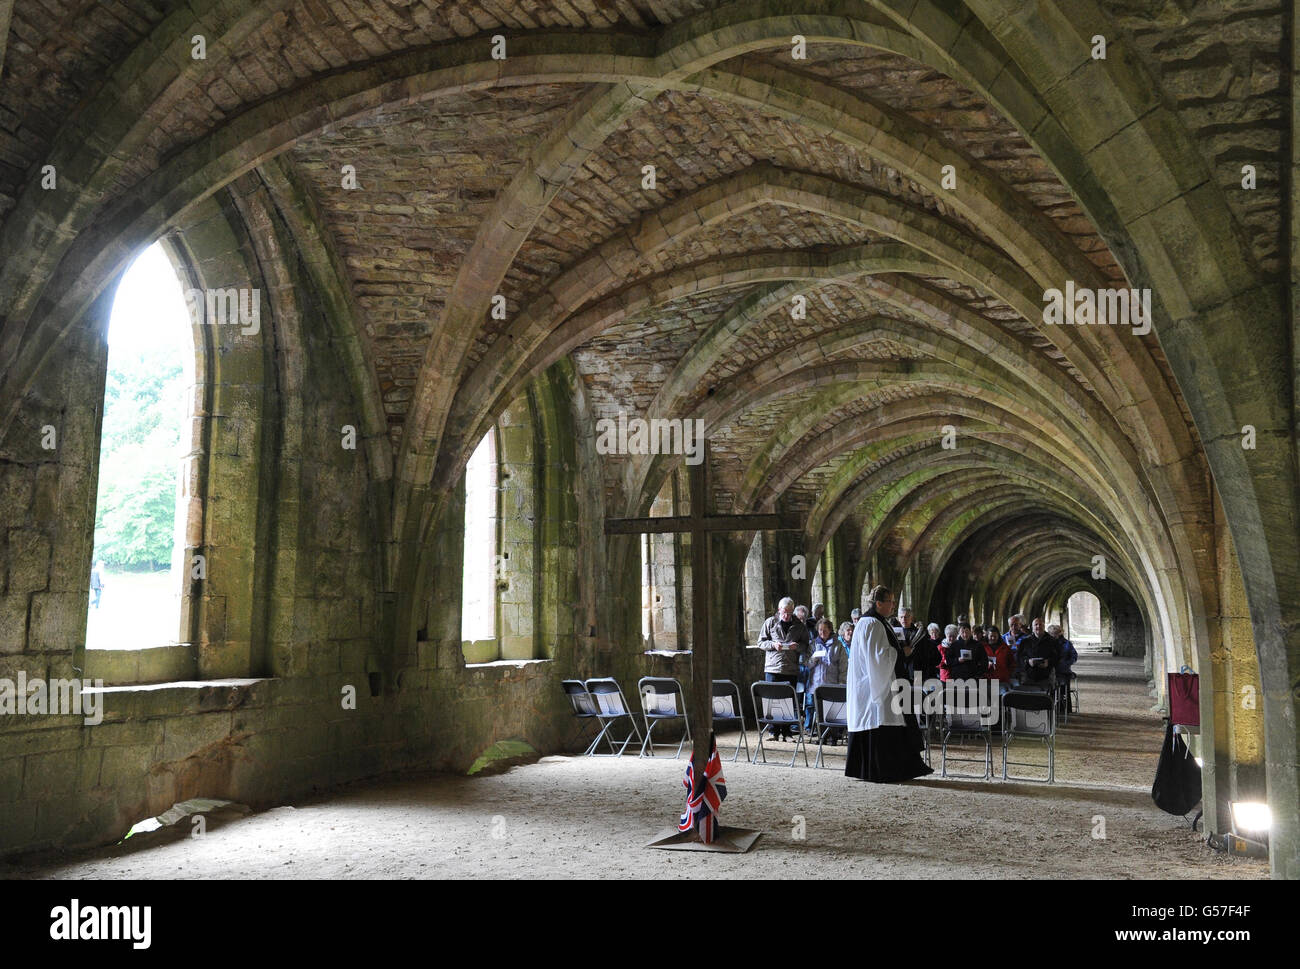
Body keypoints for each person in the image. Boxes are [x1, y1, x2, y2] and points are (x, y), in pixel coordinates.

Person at [844, 585, 933, 782]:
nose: (893, 605)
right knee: (882, 721)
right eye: (890, 602)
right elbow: (878, 657)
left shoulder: (876, 622)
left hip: (881, 681)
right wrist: (900, 652)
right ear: (879, 603)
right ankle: (882, 770)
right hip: (877, 685)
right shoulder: (872, 624)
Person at [757, 597, 810, 741]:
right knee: (772, 700)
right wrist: (773, 645)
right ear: (779, 610)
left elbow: (806, 644)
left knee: (788, 700)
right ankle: (773, 730)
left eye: (789, 612)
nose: (786, 615)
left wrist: (796, 647)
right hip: (773, 668)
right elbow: (760, 642)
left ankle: (786, 732)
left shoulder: (799, 626)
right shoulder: (770, 623)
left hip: (790, 668)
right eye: (784, 612)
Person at [805, 618, 847, 741]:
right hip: (817, 685)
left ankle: (833, 736)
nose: (822, 632)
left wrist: (842, 683)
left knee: (832, 711)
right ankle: (822, 735)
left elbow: (843, 665)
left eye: (825, 630)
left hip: (832, 683)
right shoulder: (813, 644)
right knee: (819, 712)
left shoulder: (838, 645)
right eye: (820, 630)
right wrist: (813, 659)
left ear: (830, 630)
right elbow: (807, 664)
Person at [1045, 623, 1078, 709]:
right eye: (1052, 633)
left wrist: (1066, 663)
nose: (1054, 635)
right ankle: (1050, 706)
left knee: (1064, 687)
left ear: (1060, 633)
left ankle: (1064, 707)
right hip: (1049, 671)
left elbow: (1074, 656)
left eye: (1056, 633)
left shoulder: (1067, 643)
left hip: (1063, 671)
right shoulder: (1046, 643)